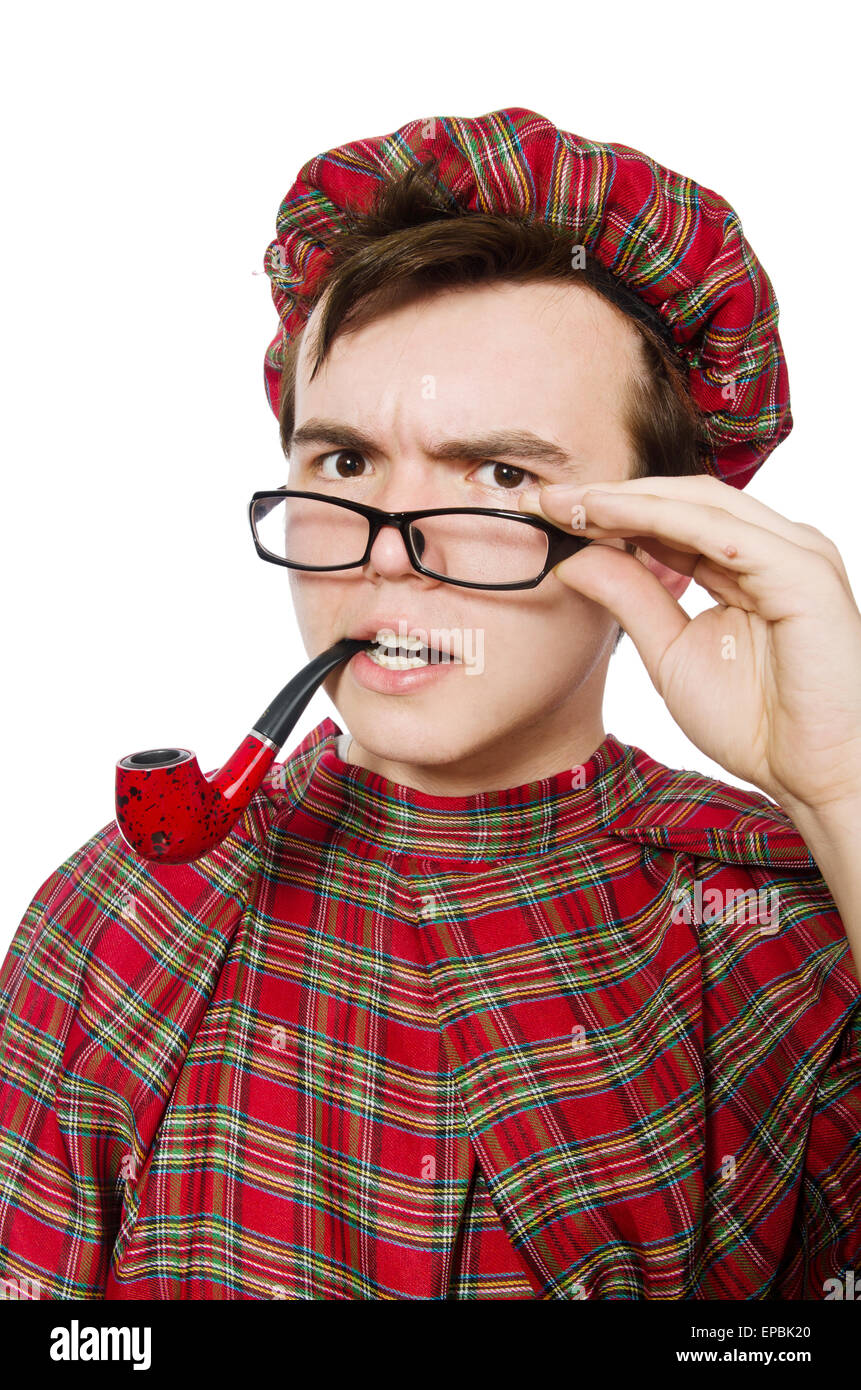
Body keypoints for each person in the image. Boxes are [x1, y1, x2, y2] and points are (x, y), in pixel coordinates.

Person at [0, 108, 859, 1301]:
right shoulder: (120, 916)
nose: (387, 557)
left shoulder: (783, 923)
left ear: (661, 540)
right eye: (344, 464)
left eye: (500, 474)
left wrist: (843, 786)